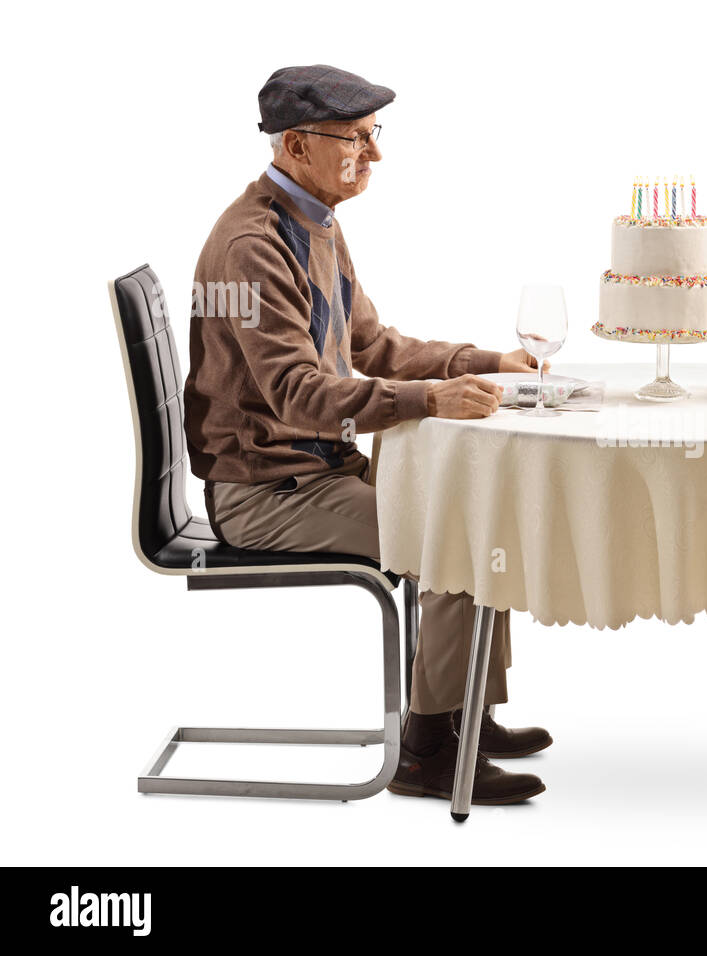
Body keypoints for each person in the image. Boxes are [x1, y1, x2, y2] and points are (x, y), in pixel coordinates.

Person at [182, 64, 549, 806]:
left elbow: (372, 345)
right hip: (266, 490)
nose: (373, 156)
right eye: (355, 139)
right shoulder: (254, 245)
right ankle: (427, 750)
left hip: (313, 470)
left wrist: (482, 362)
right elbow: (298, 392)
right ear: (294, 146)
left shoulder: (315, 221)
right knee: (456, 533)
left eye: (373, 136)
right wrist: (429, 400)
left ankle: (462, 708)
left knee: (481, 507)